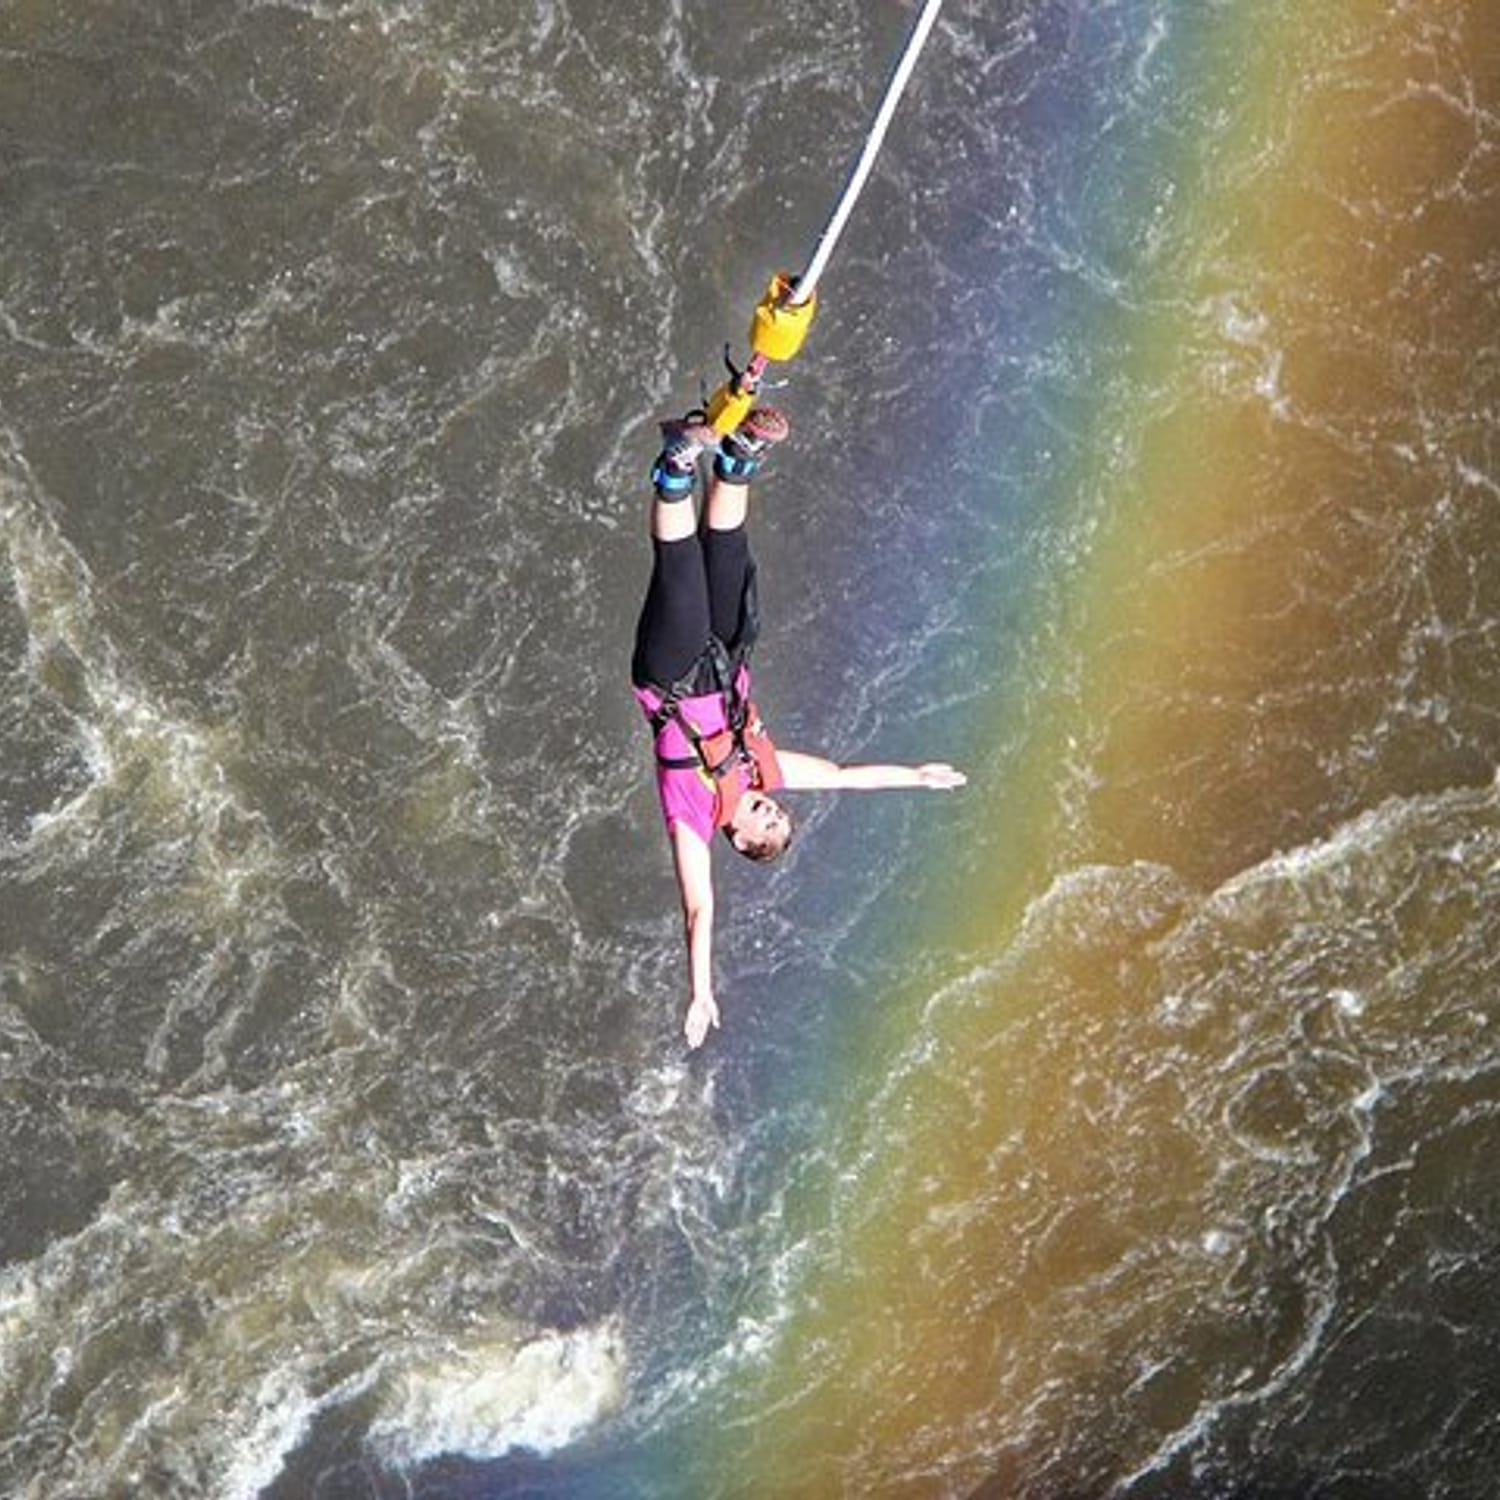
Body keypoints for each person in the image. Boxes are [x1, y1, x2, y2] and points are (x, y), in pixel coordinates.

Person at [631, 406, 966, 1048]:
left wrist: (701, 989)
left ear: (739, 838)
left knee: (680, 573)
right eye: (780, 817)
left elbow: (700, 909)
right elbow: (843, 777)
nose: (773, 812)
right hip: (724, 663)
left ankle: (675, 463)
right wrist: (917, 776)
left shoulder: (694, 816)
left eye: (765, 826)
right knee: (727, 560)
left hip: (670, 677)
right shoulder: (763, 771)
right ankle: (737, 458)